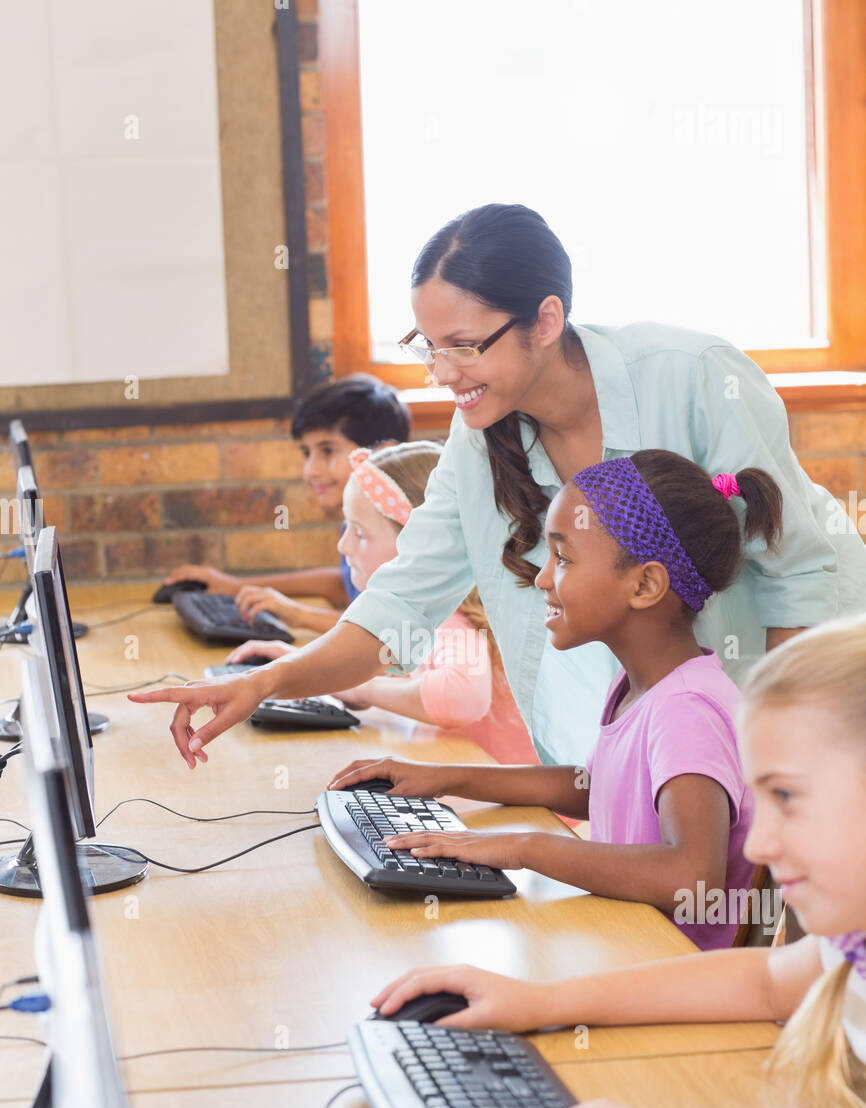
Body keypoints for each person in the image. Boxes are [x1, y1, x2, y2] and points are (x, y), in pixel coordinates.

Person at [129, 204, 866, 767]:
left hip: (803, 700)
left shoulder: (695, 376)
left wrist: (776, 761)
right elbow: (401, 603)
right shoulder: (479, 437)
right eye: (427, 347)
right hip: (655, 741)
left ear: (546, 320)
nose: (444, 374)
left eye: (465, 346)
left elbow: (795, 574)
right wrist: (266, 681)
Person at [369, 616, 866, 1108]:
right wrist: (541, 1002)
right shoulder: (849, 948)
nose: (761, 841)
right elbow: (766, 980)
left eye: (789, 797)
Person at [328, 450, 783, 947]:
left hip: (672, 976)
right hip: (629, 945)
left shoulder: (686, 709)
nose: (543, 578)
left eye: (563, 557)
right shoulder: (642, 686)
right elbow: (599, 787)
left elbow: (689, 879)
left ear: (646, 584)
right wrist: (445, 779)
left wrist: (521, 848)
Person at [233, 441, 537, 764]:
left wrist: (360, 688)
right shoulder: (425, 614)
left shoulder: (451, 617)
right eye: (346, 527)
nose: (343, 545)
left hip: (521, 814)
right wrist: (310, 668)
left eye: (360, 534)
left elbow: (462, 697)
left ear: (420, 546)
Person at [162, 374, 410, 634]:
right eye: (306, 453)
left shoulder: (399, 530)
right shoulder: (359, 519)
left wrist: (295, 614)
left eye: (327, 451)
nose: (310, 471)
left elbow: (387, 628)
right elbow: (345, 583)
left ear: (382, 452)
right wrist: (235, 586)